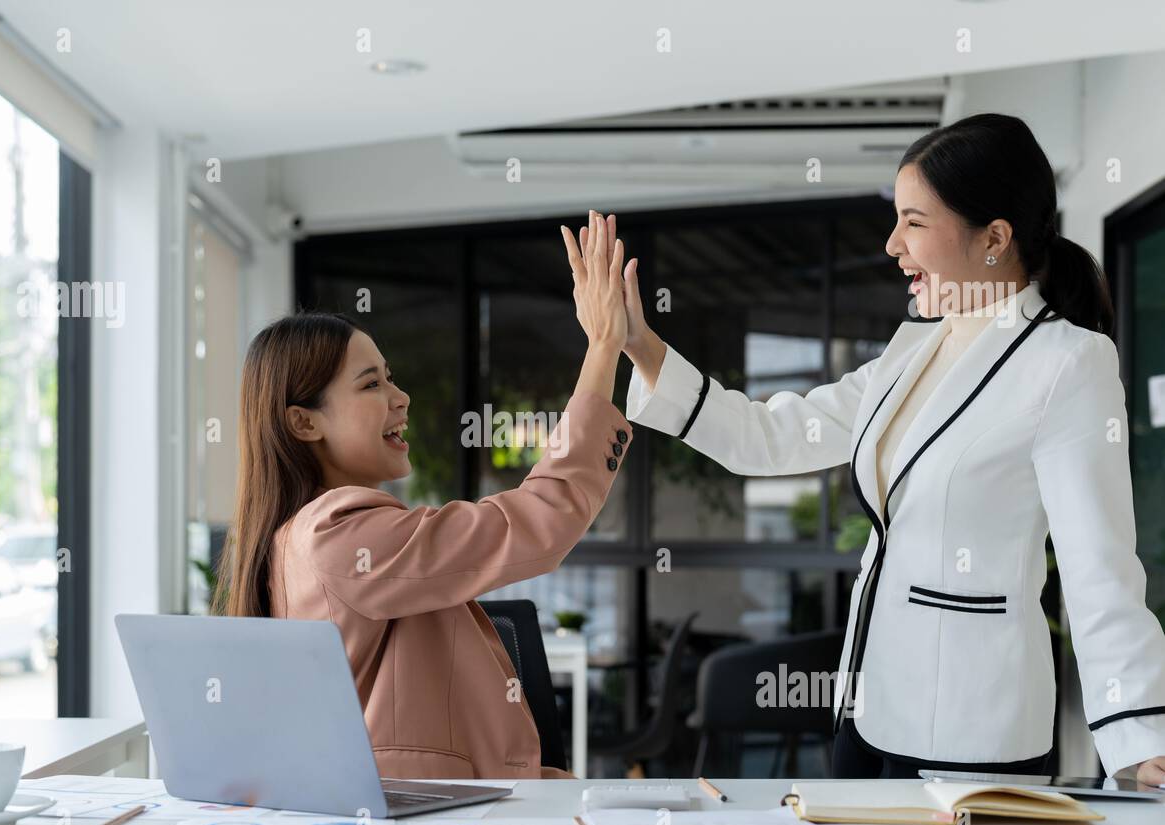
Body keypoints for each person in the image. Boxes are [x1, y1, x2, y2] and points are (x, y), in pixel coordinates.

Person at [612, 113, 1165, 783]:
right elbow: (769, 437)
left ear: (994, 238)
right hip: (866, 707)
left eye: (915, 222)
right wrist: (640, 345)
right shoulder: (911, 353)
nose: (892, 244)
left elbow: (1097, 567)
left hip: (971, 724)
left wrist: (1137, 740)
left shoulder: (1068, 363)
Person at [215, 211, 632, 780]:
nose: (401, 396)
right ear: (304, 423)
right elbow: (539, 520)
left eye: (389, 377)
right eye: (371, 384)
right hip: (428, 820)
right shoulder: (337, 534)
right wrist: (604, 345)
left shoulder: (297, 533)